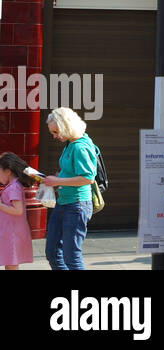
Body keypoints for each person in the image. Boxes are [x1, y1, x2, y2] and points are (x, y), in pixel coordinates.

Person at [41, 107, 99, 271]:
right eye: (52, 132)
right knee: (52, 252)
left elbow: (88, 178)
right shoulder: (71, 143)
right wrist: (57, 179)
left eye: (56, 131)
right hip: (64, 203)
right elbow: (73, 171)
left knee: (71, 256)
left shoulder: (79, 147)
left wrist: (58, 180)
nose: (54, 136)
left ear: (66, 126)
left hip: (76, 205)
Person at [0, 153, 35, 269]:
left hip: (12, 235)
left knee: (11, 265)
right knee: (11, 265)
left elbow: (18, 210)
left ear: (8, 171)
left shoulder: (13, 187)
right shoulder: (13, 186)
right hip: (11, 233)